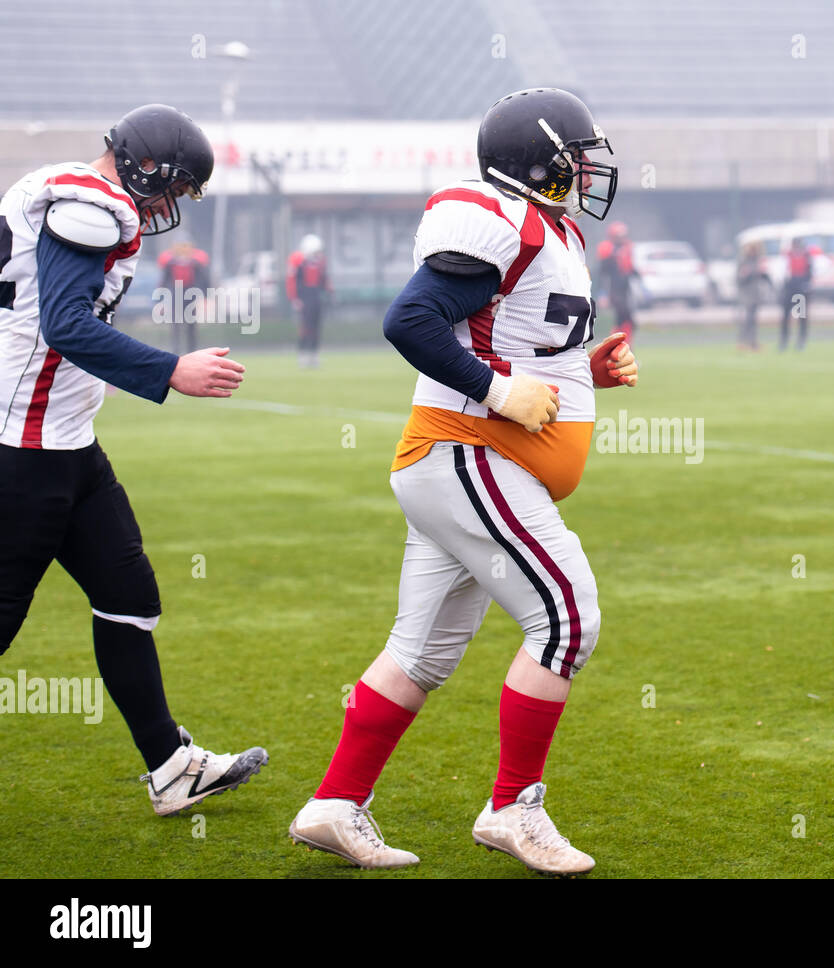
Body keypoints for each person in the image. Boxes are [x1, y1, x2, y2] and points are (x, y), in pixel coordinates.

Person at [289, 87, 636, 875]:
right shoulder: (498, 217)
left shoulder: (551, 231)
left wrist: (582, 377)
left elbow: (510, 343)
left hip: (473, 461)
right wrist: (497, 392)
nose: (586, 171)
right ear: (542, 161)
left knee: (421, 653)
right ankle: (514, 807)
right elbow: (410, 320)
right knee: (567, 619)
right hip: (466, 453)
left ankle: (335, 805)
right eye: (575, 157)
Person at [0, 103, 268, 817]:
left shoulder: (57, 187)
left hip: (66, 439)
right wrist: (169, 371)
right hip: (23, 448)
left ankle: (172, 765)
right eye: (175, 187)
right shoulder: (93, 204)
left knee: (128, 593)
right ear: (144, 165)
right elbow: (62, 324)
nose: (172, 204)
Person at [156, 236, 210, 353]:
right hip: (176, 293)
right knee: (176, 323)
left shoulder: (196, 262)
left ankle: (192, 349)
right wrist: (161, 298)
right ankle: (176, 348)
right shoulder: (170, 263)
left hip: (191, 294)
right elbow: (164, 280)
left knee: (191, 323)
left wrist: (205, 296)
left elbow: (204, 279)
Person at [287, 233, 331, 368]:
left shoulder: (320, 261)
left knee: (316, 327)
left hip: (316, 296)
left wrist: (329, 290)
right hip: (304, 297)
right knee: (306, 327)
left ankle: (314, 355)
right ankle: (303, 355)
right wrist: (294, 298)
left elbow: (323, 279)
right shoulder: (297, 260)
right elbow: (291, 280)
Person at [596, 221, 638, 344]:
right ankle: (614, 346)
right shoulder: (608, 250)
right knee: (620, 320)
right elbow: (603, 274)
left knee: (628, 321)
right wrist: (602, 294)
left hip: (625, 291)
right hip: (613, 291)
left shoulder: (626, 248)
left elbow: (629, 270)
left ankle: (626, 347)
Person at [778, 236, 812, 351]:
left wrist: (806, 285)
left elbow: (810, 273)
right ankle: (784, 341)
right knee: (786, 316)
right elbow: (783, 272)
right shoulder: (787, 257)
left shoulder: (806, 257)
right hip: (790, 288)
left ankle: (801, 341)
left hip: (800, 289)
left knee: (801, 316)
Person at [735, 240, 764, 351]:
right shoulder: (743, 262)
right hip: (746, 294)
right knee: (746, 320)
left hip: (755, 294)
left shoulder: (756, 261)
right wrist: (745, 274)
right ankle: (742, 342)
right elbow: (739, 278)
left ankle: (753, 343)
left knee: (753, 320)